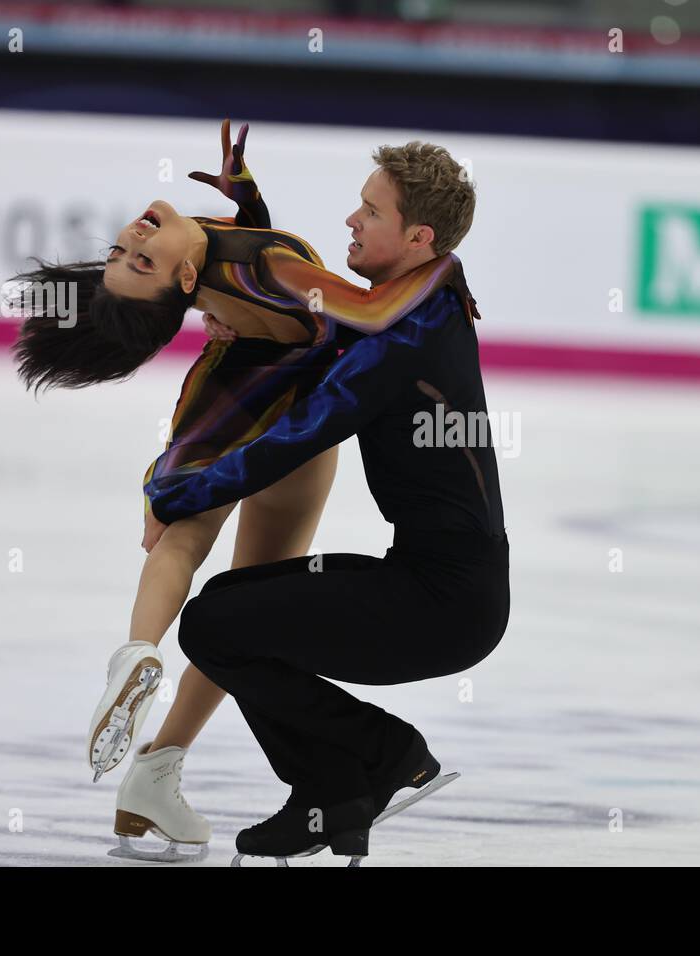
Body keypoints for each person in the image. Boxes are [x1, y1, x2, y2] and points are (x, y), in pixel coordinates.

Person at [8, 120, 472, 860]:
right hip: (292, 400)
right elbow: (372, 310)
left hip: (231, 388)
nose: (133, 237)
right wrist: (447, 268)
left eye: (124, 254)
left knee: (199, 556)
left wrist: (245, 203)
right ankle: (158, 753)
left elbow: (244, 252)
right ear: (187, 286)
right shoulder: (267, 273)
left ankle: (136, 665)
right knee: (244, 597)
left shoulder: (219, 255)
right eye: (142, 260)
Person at [145, 136, 509, 863]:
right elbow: (300, 311)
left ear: (417, 237)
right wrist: (250, 214)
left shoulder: (403, 340)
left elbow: (296, 433)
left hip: (441, 606)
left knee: (217, 624)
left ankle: (384, 750)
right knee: (231, 609)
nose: (351, 219)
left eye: (370, 212)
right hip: (439, 585)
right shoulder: (423, 303)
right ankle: (334, 797)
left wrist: (178, 491)